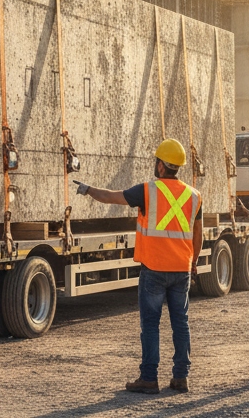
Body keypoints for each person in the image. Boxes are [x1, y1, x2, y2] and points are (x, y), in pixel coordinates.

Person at [73, 138, 202, 395]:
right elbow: (198, 234)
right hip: (181, 270)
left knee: (151, 324)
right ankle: (180, 378)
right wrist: (193, 263)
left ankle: (149, 378)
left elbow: (111, 197)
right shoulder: (194, 195)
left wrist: (87, 189)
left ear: (161, 166)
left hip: (154, 270)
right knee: (181, 323)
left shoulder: (148, 190)